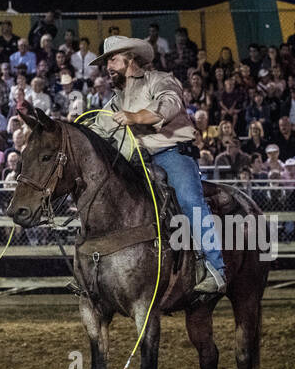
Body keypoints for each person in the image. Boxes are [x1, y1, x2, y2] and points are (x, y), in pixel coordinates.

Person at [90, 35, 226, 293]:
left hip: (172, 153)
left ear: (130, 57)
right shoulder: (117, 99)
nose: (108, 65)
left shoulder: (160, 80)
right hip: (138, 161)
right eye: (107, 60)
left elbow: (168, 106)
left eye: (112, 58)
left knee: (190, 201)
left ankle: (216, 268)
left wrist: (135, 116)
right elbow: (98, 127)